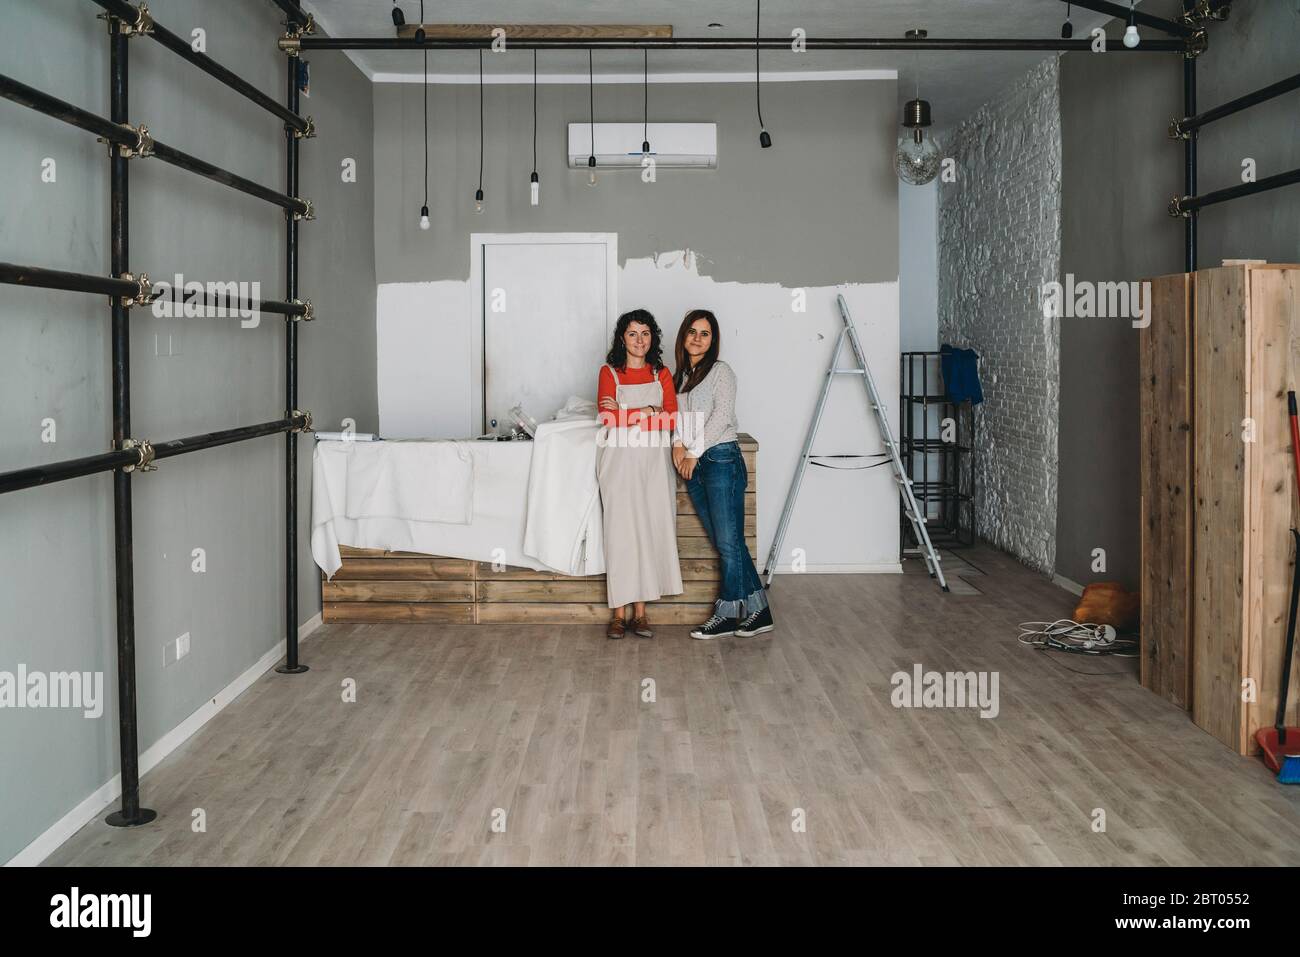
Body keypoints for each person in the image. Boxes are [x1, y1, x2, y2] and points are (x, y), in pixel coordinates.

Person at [671, 309, 774, 640]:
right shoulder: (679, 377)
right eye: (692, 331)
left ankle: (728, 613)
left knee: (729, 543)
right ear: (683, 336)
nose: (697, 338)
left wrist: (692, 450)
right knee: (725, 542)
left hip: (721, 460)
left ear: (713, 340)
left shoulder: (720, 372)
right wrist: (677, 444)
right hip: (695, 465)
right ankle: (759, 611)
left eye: (705, 333)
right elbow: (676, 418)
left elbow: (721, 417)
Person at [596, 309, 683, 639]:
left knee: (649, 530)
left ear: (652, 338)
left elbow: (672, 420)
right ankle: (618, 614)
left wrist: (625, 413)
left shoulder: (661, 374)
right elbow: (606, 419)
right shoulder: (609, 372)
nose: (639, 340)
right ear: (622, 338)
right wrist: (649, 411)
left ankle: (641, 614)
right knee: (620, 533)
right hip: (617, 464)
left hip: (653, 465)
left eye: (645, 334)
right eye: (633, 334)